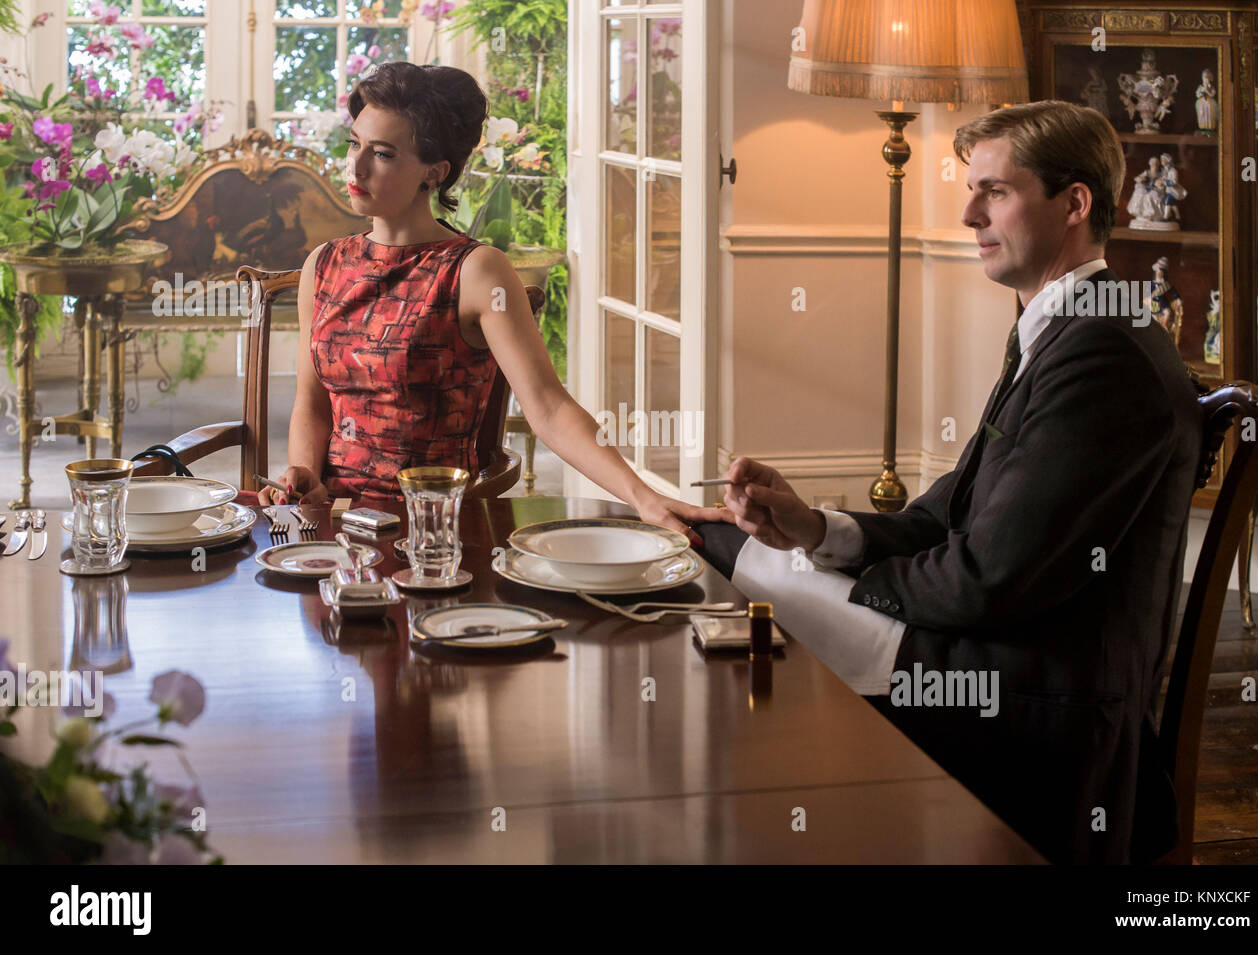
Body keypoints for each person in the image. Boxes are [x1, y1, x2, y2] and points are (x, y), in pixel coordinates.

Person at [696, 101, 1202, 864]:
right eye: (973, 190)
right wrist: (814, 530)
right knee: (733, 553)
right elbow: (949, 513)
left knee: (738, 579)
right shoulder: (1062, 327)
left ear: (1075, 204)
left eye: (995, 191)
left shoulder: (1105, 353)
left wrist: (851, 589)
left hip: (1030, 701)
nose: (968, 213)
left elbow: (990, 576)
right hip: (994, 652)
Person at [258, 63, 725, 539]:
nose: (356, 166)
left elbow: (548, 407)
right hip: (331, 529)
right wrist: (304, 475)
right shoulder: (325, 264)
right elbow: (313, 406)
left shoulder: (475, 271)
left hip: (431, 532)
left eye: (382, 154)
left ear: (434, 173)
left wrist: (642, 495)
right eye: (354, 143)